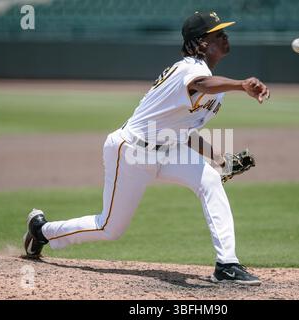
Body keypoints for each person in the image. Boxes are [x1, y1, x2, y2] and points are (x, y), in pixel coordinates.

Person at [24, 11, 269, 285]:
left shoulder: (214, 86)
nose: (225, 36)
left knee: (211, 180)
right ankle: (41, 231)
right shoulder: (189, 70)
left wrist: (220, 160)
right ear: (200, 42)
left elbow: (185, 132)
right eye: (217, 33)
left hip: (168, 149)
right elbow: (201, 84)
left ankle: (227, 265)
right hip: (133, 152)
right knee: (109, 228)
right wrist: (241, 84)